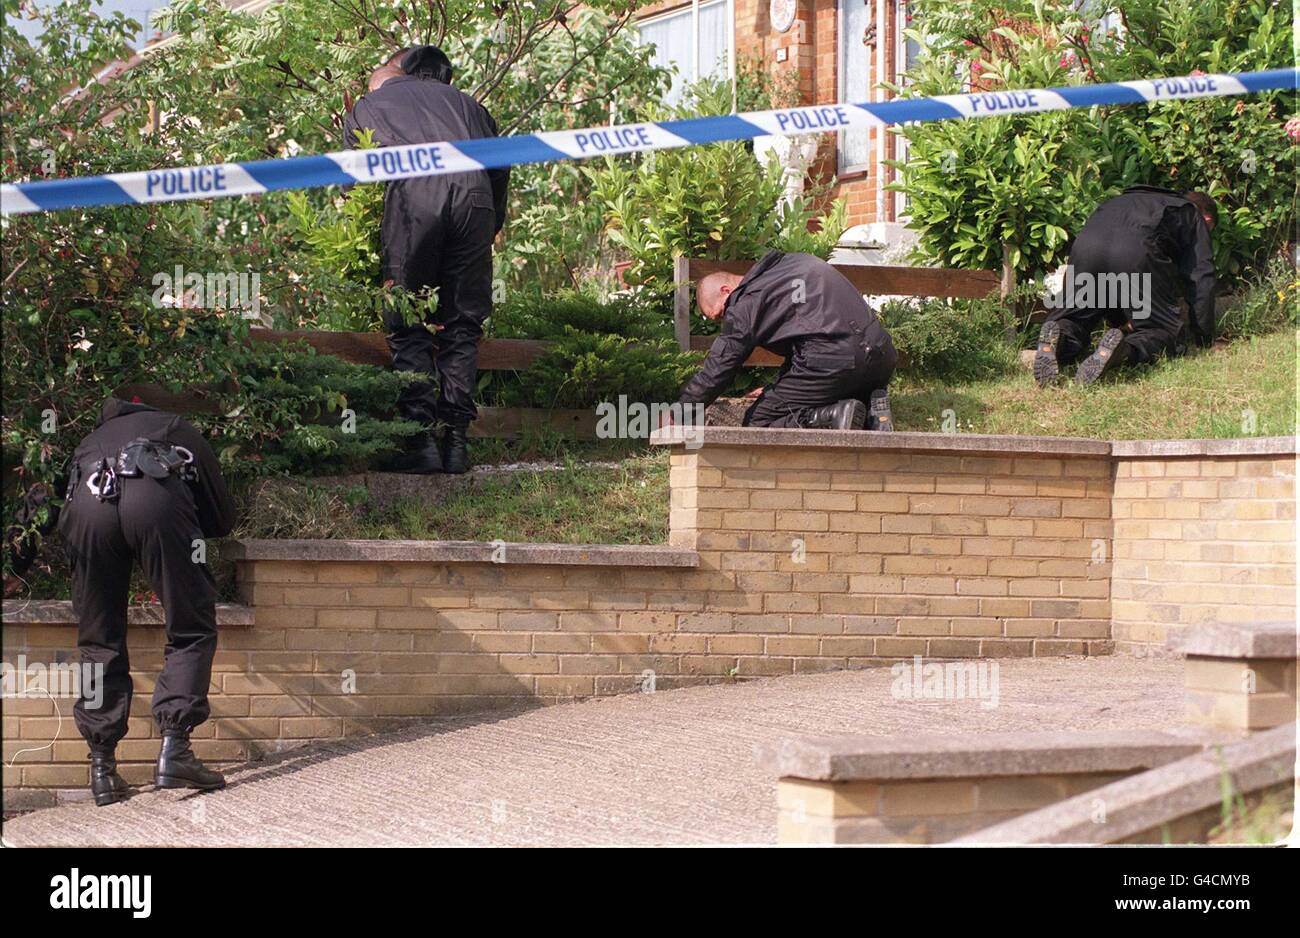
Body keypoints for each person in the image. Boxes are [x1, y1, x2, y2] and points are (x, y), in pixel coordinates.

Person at [4, 397, 236, 805]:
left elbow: (42, 500)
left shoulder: (87, 441)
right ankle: (175, 750)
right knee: (191, 626)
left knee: (98, 640)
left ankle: (102, 767)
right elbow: (220, 511)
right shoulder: (174, 425)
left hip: (87, 509)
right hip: (157, 503)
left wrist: (14, 564)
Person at [343, 46, 509, 474]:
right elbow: (501, 165)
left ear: (392, 72)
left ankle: (418, 443)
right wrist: (491, 222)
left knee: (405, 315)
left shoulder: (371, 103)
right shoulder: (470, 105)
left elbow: (354, 180)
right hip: (476, 199)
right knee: (462, 324)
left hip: (415, 196)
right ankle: (455, 443)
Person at [676, 250, 897, 430]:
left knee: (758, 422)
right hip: (882, 356)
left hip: (835, 363)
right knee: (840, 390)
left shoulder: (745, 303)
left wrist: (679, 414)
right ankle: (871, 410)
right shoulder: (793, 262)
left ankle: (832, 416)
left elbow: (718, 368)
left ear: (726, 290)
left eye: (721, 315)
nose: (726, 321)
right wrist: (781, 386)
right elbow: (808, 338)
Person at [1034, 186, 1217, 386]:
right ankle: (1124, 351)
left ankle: (1059, 336)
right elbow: (1201, 278)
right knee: (1162, 332)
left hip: (1086, 248)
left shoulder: (1123, 200)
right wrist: (1204, 337)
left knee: (1077, 317)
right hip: (1135, 251)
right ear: (1207, 220)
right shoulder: (1190, 213)